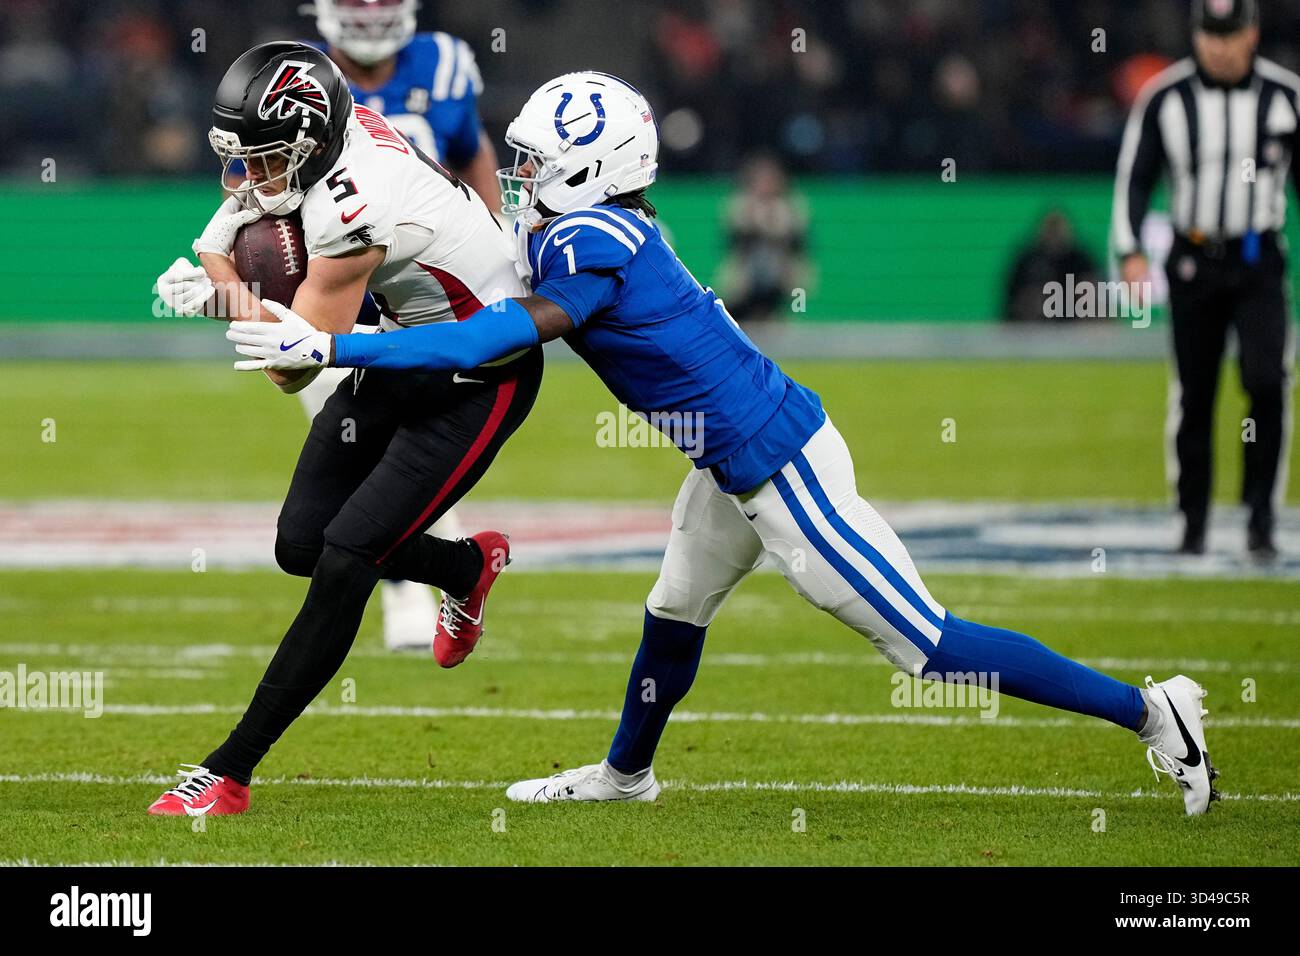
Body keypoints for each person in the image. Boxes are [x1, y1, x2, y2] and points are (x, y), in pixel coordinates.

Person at [229, 71, 1220, 816]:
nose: (520, 175)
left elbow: (495, 332)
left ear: (587, 172)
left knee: (929, 646)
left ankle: (1150, 709)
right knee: (673, 607)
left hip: (780, 468)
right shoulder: (589, 225)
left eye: (535, 165)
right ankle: (626, 774)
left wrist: (332, 340)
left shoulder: (589, 244)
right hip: (726, 458)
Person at [148, 41, 541, 815]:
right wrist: (218, 264)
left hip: (476, 376)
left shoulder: (352, 207)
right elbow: (230, 227)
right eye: (245, 158)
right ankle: (465, 569)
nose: (250, 178)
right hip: (400, 349)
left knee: (345, 557)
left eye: (264, 160)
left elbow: (295, 362)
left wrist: (216, 297)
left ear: (309, 138)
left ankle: (230, 770)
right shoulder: (337, 132)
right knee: (301, 544)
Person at [297, 0, 502, 648]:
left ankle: (434, 584)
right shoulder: (297, 78)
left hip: (422, 304)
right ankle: (423, 586)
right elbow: (255, 187)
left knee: (411, 462)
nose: (367, 13)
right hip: (335, 304)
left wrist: (497, 246)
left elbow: (471, 152)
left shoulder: (443, 65)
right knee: (368, 460)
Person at [1112, 0, 1294, 559]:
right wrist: (1130, 250)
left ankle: (1260, 518)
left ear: (1252, 33)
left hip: (1258, 259)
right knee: (1194, 395)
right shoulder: (1165, 96)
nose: (1219, 46)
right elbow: (1135, 179)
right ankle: (1191, 523)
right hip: (1193, 262)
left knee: (1266, 381)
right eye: (1209, 34)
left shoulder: (1284, 97)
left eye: (1229, 33)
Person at [718, 154, 810, 324]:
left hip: (780, 269)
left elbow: (798, 242)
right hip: (748, 269)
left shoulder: (790, 205)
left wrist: (773, 224)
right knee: (735, 300)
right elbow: (734, 239)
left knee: (795, 291)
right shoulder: (741, 204)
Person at [1003, 210, 1101, 323]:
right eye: (1051, 231)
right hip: (1032, 331)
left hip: (1076, 329)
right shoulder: (1028, 262)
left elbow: (1096, 299)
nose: (1054, 235)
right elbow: (1012, 302)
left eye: (1058, 230)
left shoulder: (1081, 261)